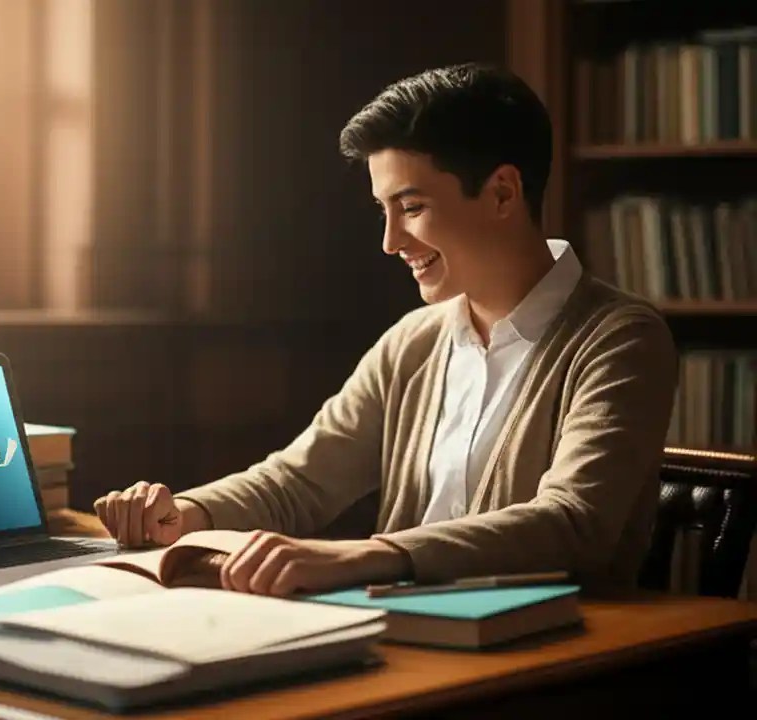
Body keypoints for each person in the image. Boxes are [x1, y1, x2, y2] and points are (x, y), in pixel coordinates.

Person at [93, 62, 679, 597]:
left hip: (553, 658)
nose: (391, 241)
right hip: (405, 638)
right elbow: (299, 481)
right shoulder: (413, 342)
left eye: (413, 207)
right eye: (384, 210)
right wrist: (185, 514)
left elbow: (573, 521)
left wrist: (360, 558)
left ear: (503, 192)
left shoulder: (620, 338)